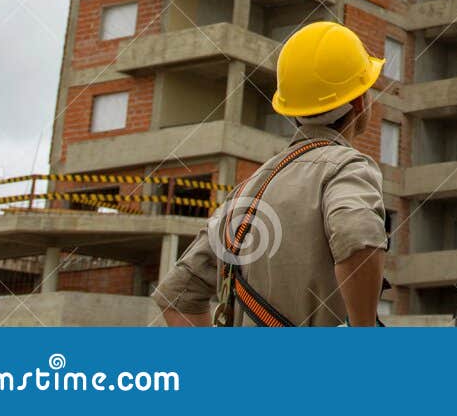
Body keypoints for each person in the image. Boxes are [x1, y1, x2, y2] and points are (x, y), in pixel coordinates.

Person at [153, 20, 389, 327]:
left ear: (291, 109)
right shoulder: (347, 168)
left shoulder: (246, 191)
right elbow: (358, 236)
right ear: (359, 102)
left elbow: (175, 295)